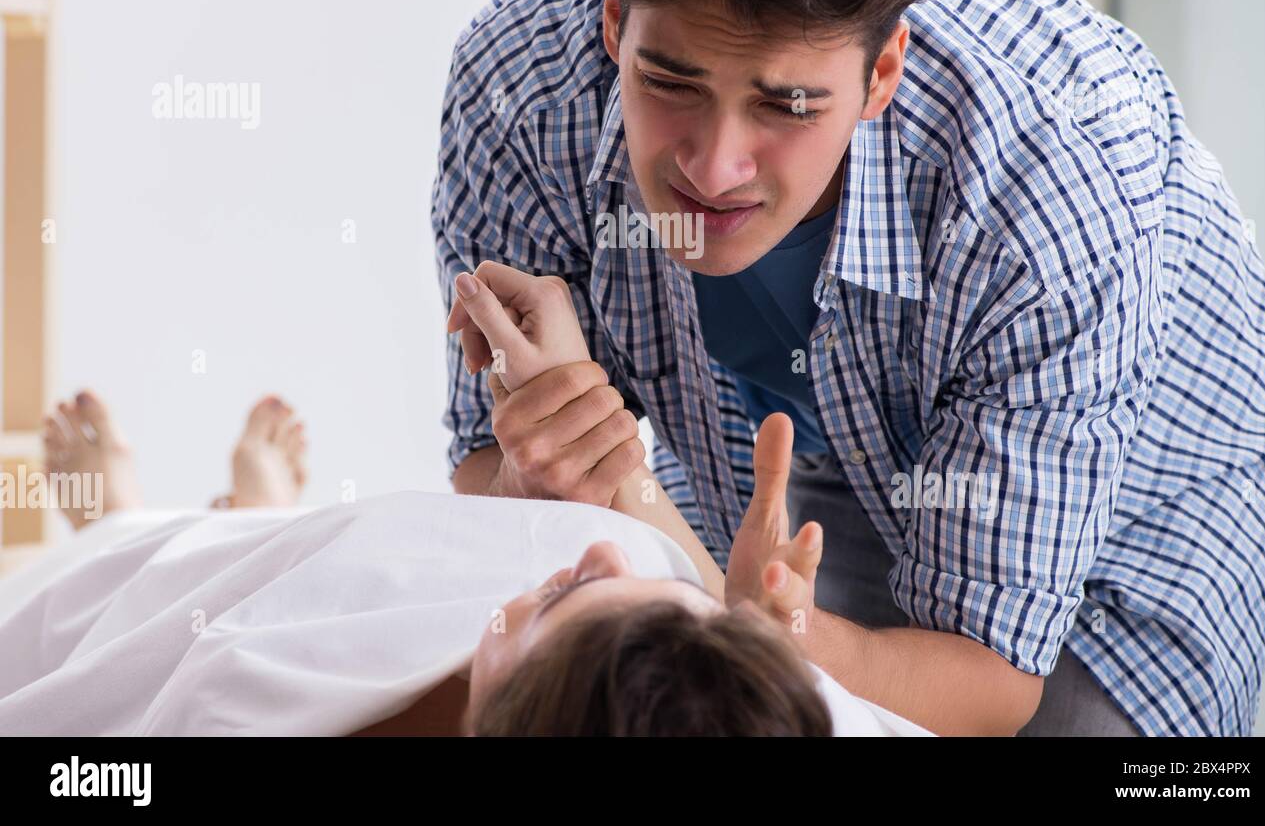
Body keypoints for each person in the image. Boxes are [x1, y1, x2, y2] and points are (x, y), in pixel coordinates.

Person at [431, 0, 1265, 736]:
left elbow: (987, 681)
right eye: (670, 82)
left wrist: (776, 633)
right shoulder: (518, 90)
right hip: (767, 463)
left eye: (785, 104)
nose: (714, 168)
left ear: (882, 72)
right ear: (611, 27)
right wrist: (542, 461)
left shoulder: (1048, 185)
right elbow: (487, 474)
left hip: (1134, 518)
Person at [10, 386, 901, 736]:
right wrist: (753, 631)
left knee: (160, 590)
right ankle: (259, 518)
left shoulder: (236, 704)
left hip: (230, 633)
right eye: (669, 604)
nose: (592, 547)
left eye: (564, 598)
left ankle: (131, 523)